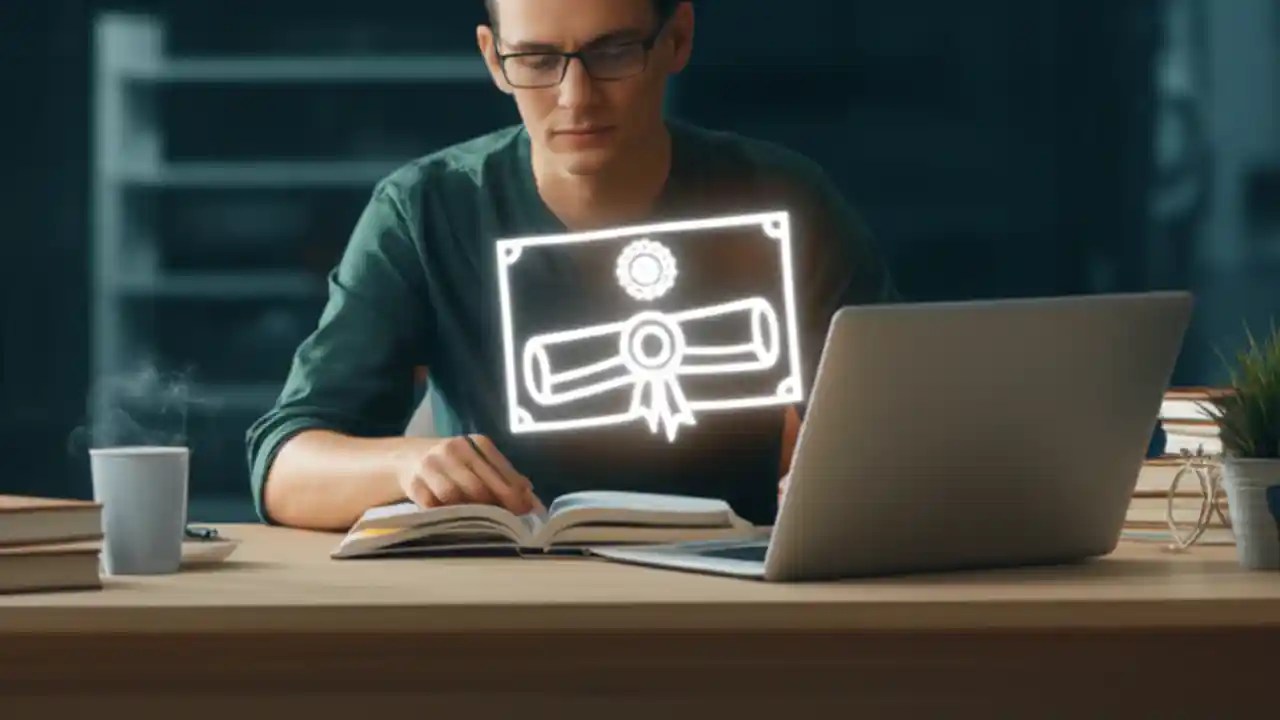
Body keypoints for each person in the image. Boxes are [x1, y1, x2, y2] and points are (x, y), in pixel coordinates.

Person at [246, 0, 898, 531]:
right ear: (493, 59)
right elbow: (284, 466)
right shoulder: (425, 209)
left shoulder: (783, 198)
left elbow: (906, 429)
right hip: (504, 603)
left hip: (732, 603)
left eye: (612, 52)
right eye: (535, 59)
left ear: (677, 39)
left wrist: (850, 481)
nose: (576, 96)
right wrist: (408, 467)